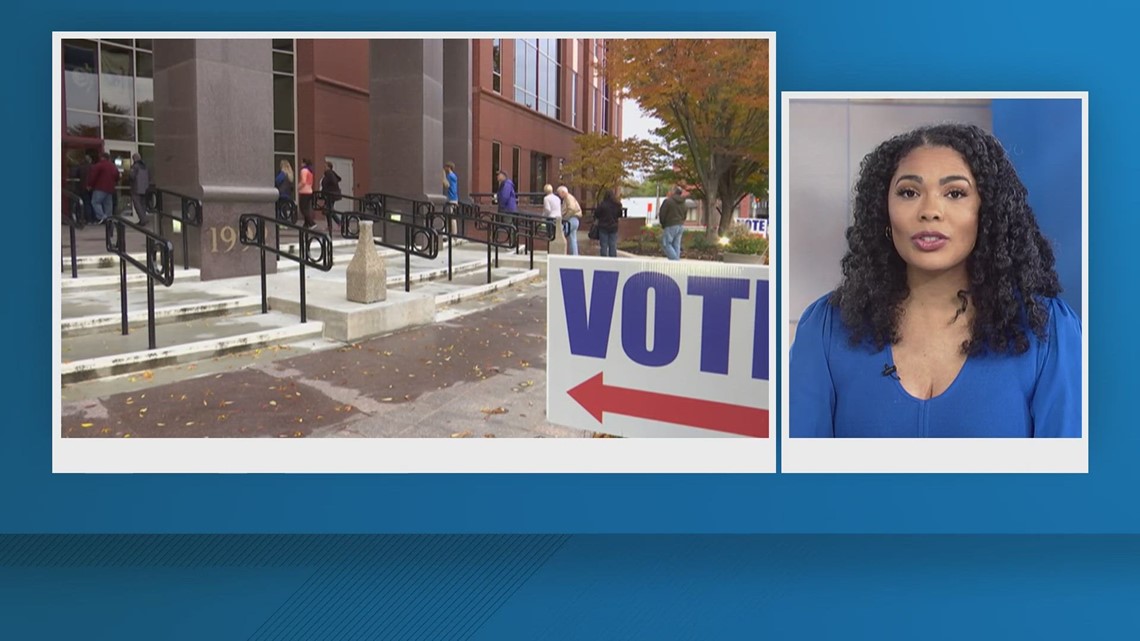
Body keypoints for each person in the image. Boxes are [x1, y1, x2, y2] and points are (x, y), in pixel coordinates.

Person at [790, 123, 1081, 438]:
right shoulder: (825, 329)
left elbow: (1064, 484)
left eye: (955, 193)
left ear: (987, 212)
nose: (930, 211)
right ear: (884, 213)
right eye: (909, 192)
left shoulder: (1048, 334)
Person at [86, 152, 120, 224]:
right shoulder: (113, 166)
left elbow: (93, 176)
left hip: (100, 187)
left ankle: (102, 216)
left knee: (95, 202)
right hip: (110, 188)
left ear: (101, 157)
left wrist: (89, 185)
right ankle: (109, 219)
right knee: (108, 205)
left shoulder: (99, 165)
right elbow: (117, 176)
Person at [657, 186, 687, 260]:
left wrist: (663, 224)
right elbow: (685, 215)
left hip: (670, 225)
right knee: (676, 245)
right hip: (680, 225)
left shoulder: (668, 201)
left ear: (673, 192)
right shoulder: (684, 203)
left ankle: (675, 261)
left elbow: (662, 214)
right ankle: (675, 263)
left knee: (666, 244)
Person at [593, 189, 623, 257]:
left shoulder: (602, 205)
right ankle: (612, 260)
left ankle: (604, 260)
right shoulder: (617, 205)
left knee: (603, 245)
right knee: (613, 244)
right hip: (613, 227)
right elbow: (620, 215)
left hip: (603, 227)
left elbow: (596, 214)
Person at [557, 185, 582, 256]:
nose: (559, 195)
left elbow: (571, 209)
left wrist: (565, 218)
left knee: (562, 233)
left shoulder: (568, 198)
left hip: (572, 219)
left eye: (559, 193)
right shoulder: (568, 198)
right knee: (572, 238)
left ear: (563, 192)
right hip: (575, 219)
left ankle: (565, 253)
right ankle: (574, 254)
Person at [129, 152, 150, 226]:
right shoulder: (145, 166)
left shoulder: (135, 166)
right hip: (145, 188)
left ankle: (143, 219)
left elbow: (132, 176)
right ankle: (143, 219)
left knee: (137, 205)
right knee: (143, 204)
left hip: (136, 188)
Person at [321, 161, 342, 225]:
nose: (324, 167)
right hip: (330, 194)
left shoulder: (329, 173)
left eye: (325, 166)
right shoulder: (330, 174)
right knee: (328, 210)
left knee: (329, 209)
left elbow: (331, 182)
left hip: (330, 195)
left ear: (328, 167)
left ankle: (340, 222)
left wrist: (326, 185)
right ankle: (330, 225)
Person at [298, 157, 316, 228]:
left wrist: (298, 186)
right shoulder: (310, 171)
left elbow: (303, 181)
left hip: (304, 191)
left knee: (303, 208)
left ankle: (311, 223)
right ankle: (306, 224)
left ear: (304, 163)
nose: (301, 164)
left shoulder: (304, 170)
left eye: (302, 162)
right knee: (307, 208)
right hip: (309, 190)